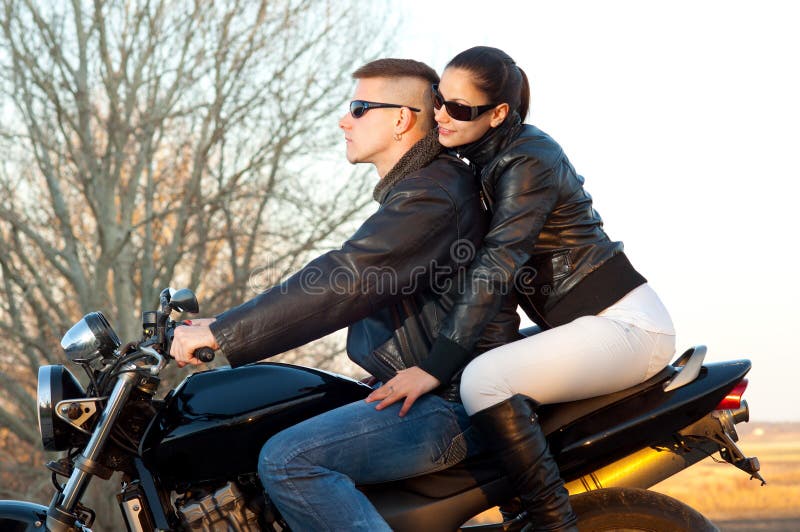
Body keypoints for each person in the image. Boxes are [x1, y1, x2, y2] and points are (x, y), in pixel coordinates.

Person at [170, 58, 520, 531]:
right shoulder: (420, 189)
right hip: (424, 391)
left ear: (401, 119)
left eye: (358, 108)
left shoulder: (433, 196)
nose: (343, 120)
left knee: (289, 460)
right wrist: (219, 323)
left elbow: (347, 278)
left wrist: (225, 332)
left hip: (456, 403)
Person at [370, 46, 676, 531]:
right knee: (479, 372)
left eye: (459, 109)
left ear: (498, 114)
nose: (442, 116)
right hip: (590, 325)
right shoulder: (480, 156)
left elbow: (497, 265)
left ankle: (551, 524)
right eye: (438, 100)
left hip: (628, 326)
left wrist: (434, 367)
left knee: (482, 380)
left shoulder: (528, 159)